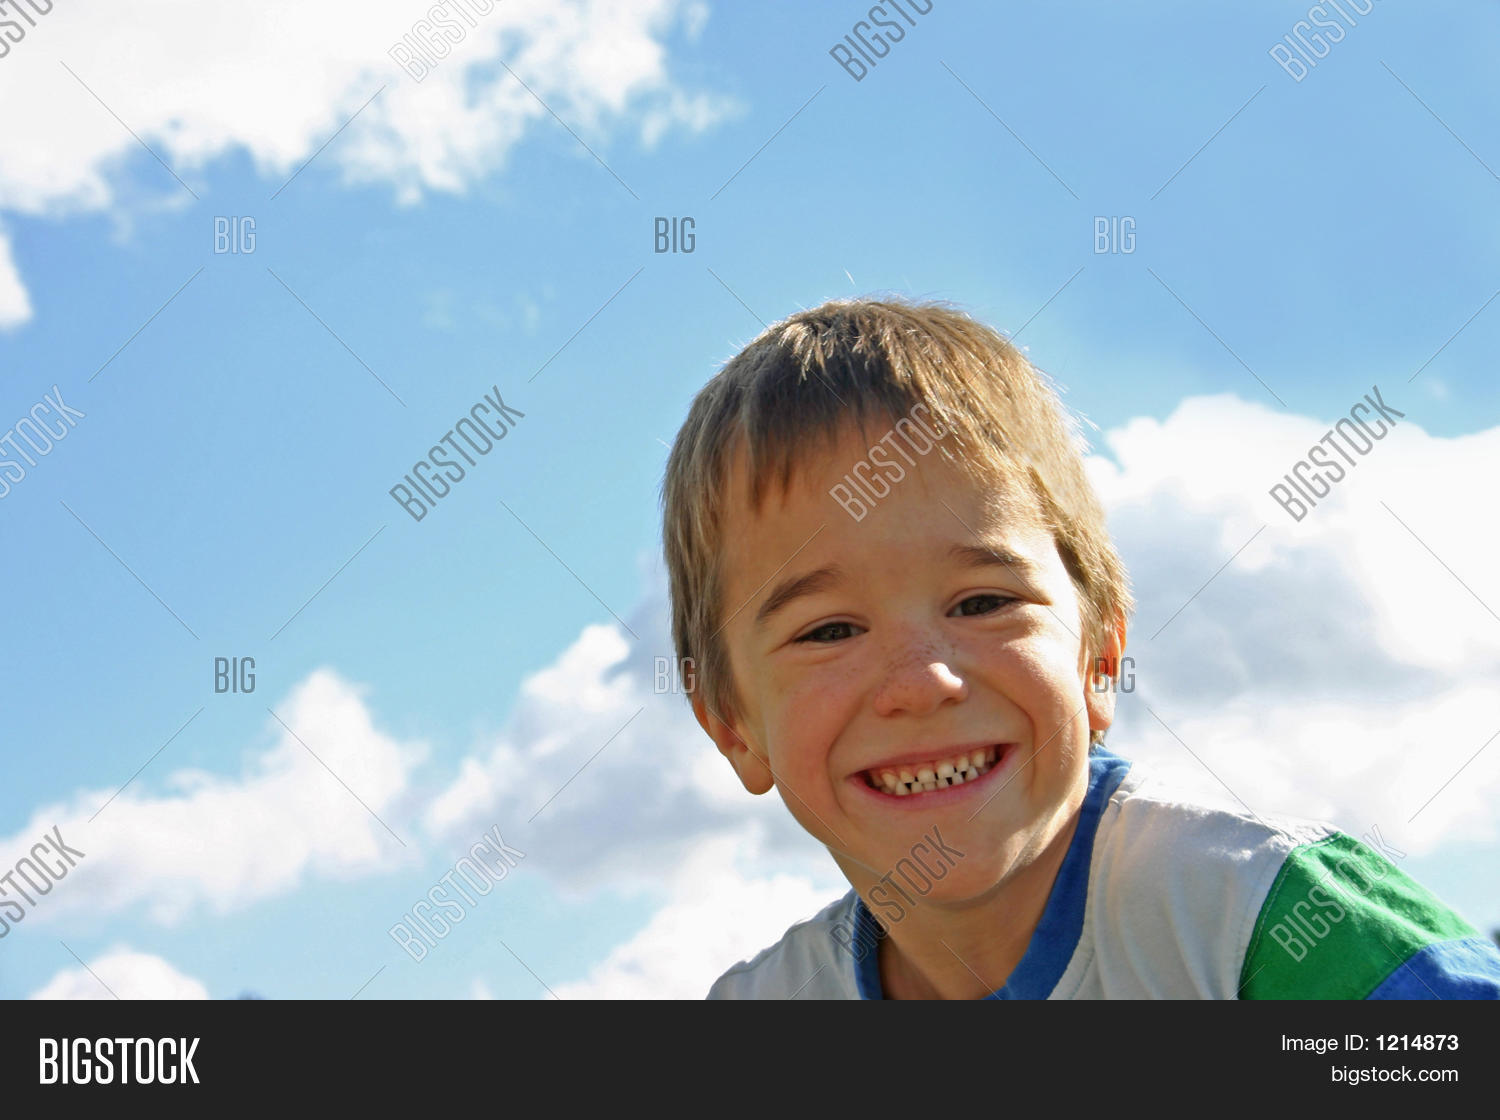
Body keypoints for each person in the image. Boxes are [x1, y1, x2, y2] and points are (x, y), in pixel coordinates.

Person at [659, 297, 1500, 999]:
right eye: (830, 631)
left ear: (1098, 656)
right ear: (732, 724)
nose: (921, 683)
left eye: (983, 602)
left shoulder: (1265, 923)